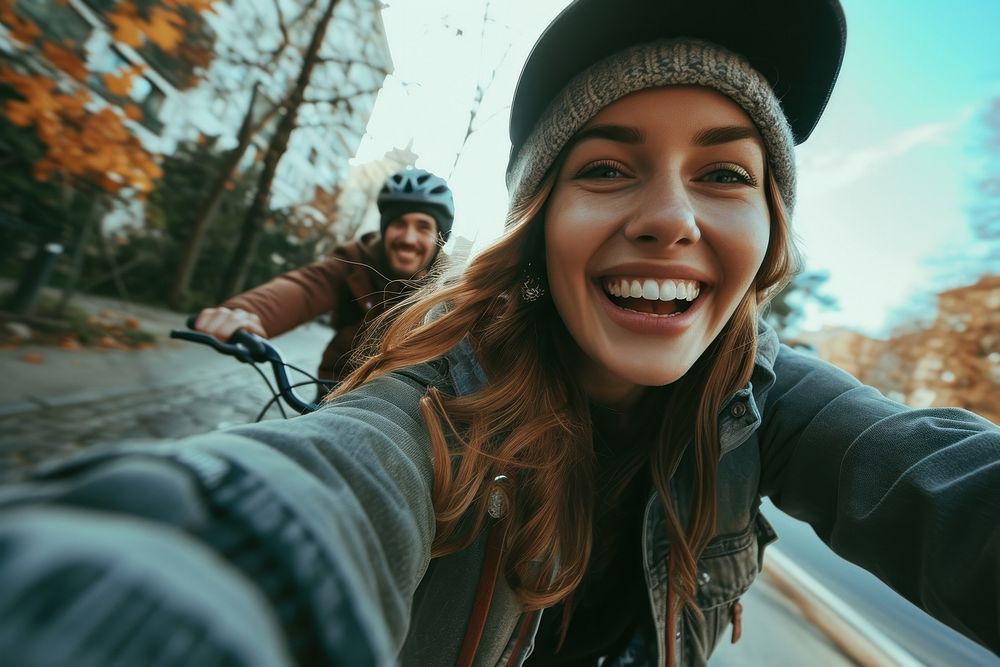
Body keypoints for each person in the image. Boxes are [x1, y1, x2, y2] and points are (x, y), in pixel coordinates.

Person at [0, 0, 998, 666]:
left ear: (769, 230)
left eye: (726, 173)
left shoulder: (772, 394)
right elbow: (322, 477)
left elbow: (932, 481)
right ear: (537, 225)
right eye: (606, 167)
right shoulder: (439, 389)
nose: (670, 217)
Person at [194, 167, 455, 388]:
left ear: (440, 238)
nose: (408, 238)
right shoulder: (354, 263)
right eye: (399, 224)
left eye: (423, 227)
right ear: (385, 229)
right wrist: (244, 312)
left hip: (403, 419)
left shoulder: (451, 294)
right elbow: (304, 288)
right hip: (331, 398)